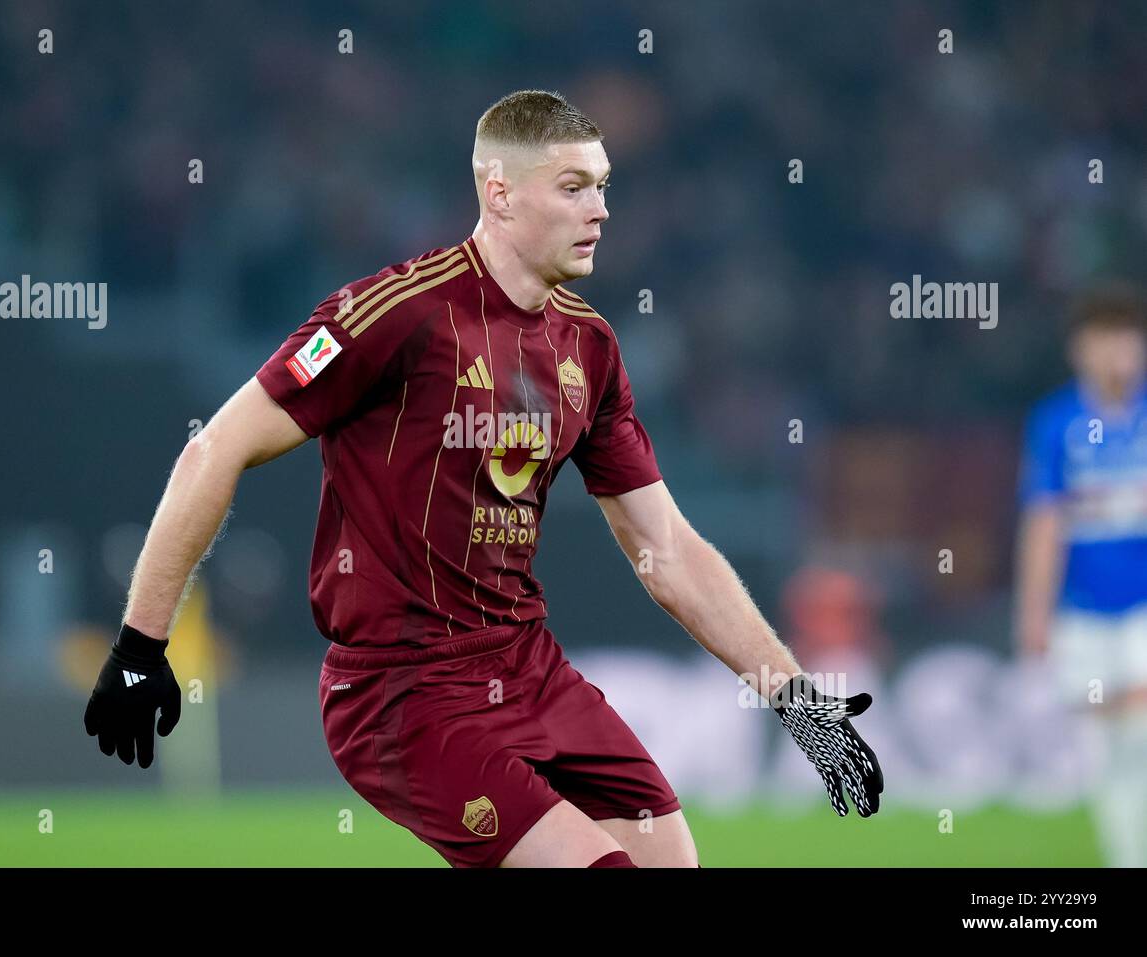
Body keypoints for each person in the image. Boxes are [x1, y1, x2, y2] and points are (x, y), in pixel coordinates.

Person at [83, 89, 882, 867]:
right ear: (498, 194)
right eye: (573, 187)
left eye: (603, 186)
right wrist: (140, 644)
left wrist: (792, 695)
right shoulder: (393, 313)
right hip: (404, 689)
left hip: (527, 665)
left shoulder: (590, 348)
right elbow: (212, 450)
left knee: (669, 860)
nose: (600, 209)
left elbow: (665, 548)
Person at [1015, 281, 1147, 867]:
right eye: (1107, 338)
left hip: (1142, 607)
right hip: (1083, 613)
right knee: (1106, 754)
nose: (1121, 350)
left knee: (1140, 731)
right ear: (1081, 349)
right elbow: (1044, 523)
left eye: (1129, 337)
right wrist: (1033, 614)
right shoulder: (1057, 423)